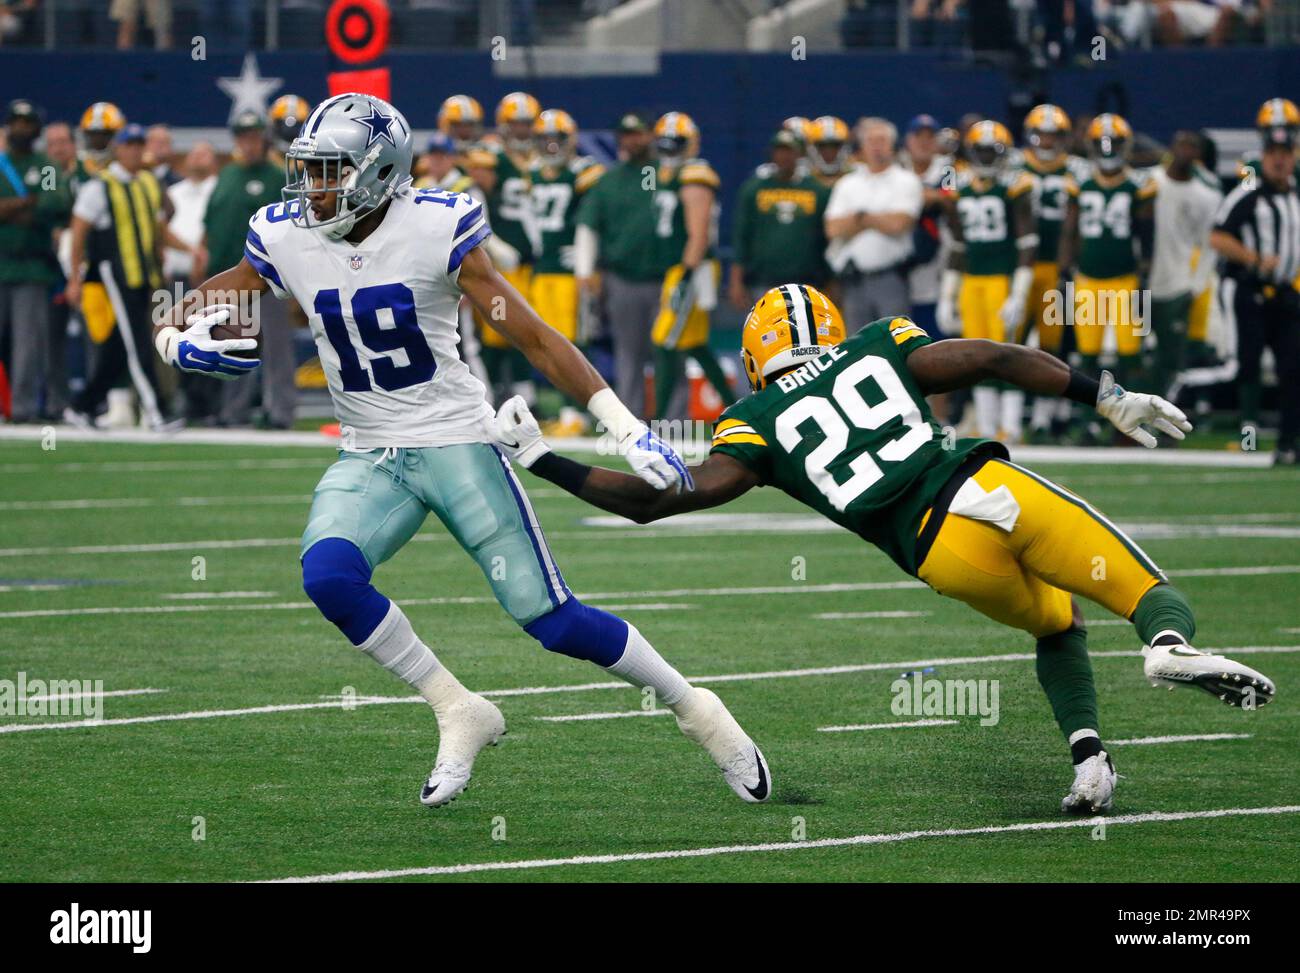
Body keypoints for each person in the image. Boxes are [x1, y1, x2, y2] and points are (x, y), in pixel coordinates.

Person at [151, 93, 769, 808]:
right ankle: (456, 706)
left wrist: (624, 426)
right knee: (328, 576)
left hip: (456, 440)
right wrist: (176, 337)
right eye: (309, 171)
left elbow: (532, 333)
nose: (312, 190)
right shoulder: (287, 232)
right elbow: (206, 296)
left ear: (377, 172)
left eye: (328, 173)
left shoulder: (436, 227)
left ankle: (697, 709)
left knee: (552, 620)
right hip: (370, 451)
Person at [498, 284, 1276, 815]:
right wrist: (1106, 395)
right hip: (984, 488)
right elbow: (992, 358)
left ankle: (1091, 761)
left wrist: (545, 459)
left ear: (755, 355)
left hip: (941, 557)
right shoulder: (879, 344)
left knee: (1057, 623)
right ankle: (1167, 645)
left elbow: (655, 501)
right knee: (1140, 587)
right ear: (830, 331)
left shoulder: (756, 419)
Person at [63, 122, 197, 429]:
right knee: (138, 344)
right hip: (114, 272)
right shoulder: (100, 186)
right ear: (118, 149)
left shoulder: (147, 183)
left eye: (140, 145)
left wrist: (189, 249)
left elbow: (162, 222)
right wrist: (74, 278)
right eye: (130, 145)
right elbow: (79, 232)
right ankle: (157, 413)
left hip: (144, 274)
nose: (136, 151)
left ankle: (81, 406)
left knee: (119, 348)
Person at [937, 121, 1037, 443]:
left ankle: (1012, 426)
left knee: (1006, 355)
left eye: (991, 152)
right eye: (980, 151)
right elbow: (957, 246)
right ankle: (988, 426)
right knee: (976, 358)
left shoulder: (1015, 185)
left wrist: (1019, 293)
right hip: (971, 282)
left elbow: (1027, 244)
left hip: (1002, 280)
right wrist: (947, 294)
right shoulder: (958, 184)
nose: (985, 158)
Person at [1210, 120, 1300, 466]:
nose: (1279, 161)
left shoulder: (1294, 192)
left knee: (1293, 368)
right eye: (1273, 154)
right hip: (1249, 290)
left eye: (1285, 154)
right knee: (1244, 367)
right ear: (1264, 156)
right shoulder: (1249, 191)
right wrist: (1255, 259)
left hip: (1286, 294)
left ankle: (1289, 444)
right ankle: (1247, 436)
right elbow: (1218, 237)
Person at [203, 109, 294, 428]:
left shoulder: (276, 176)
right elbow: (212, 223)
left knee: (276, 345)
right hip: (230, 275)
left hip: (267, 275)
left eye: (254, 136)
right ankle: (232, 410)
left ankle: (280, 410)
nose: (249, 143)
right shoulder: (227, 175)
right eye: (243, 136)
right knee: (233, 342)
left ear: (264, 138)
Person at [1057, 113, 1157, 397]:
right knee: (1087, 353)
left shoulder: (1140, 183)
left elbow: (1148, 234)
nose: (1108, 150)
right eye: (1102, 144)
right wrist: (1065, 271)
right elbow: (1069, 231)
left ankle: (1132, 419)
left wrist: (1145, 275)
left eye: (1113, 144)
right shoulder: (1078, 182)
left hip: (1125, 278)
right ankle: (1090, 420)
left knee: (1131, 352)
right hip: (1087, 277)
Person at [645, 111, 735, 419]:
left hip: (691, 268)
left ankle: (656, 421)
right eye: (665, 143)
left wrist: (686, 274)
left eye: (676, 143)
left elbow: (697, 233)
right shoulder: (669, 174)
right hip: (684, 267)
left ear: (691, 144)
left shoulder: (695, 174)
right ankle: (736, 408)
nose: (670, 150)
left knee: (665, 341)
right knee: (694, 344)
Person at [574, 111, 663, 417]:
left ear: (650, 135)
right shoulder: (609, 180)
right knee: (629, 353)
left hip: (667, 276)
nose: (631, 140)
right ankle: (632, 421)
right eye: (626, 135)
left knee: (669, 353)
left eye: (637, 133)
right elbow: (588, 225)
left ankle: (675, 421)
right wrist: (585, 271)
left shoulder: (667, 174)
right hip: (622, 278)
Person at [528, 108, 605, 435]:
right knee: (547, 345)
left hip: (571, 274)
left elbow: (599, 216)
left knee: (574, 343)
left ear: (570, 140)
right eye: (544, 139)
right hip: (542, 271)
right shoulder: (530, 173)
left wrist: (589, 252)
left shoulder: (584, 172)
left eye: (556, 139)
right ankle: (565, 412)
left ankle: (581, 411)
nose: (550, 146)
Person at [1016, 104, 1091, 441]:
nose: (1046, 141)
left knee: (1053, 345)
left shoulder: (1077, 169)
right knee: (1014, 342)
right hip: (1021, 268)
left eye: (1053, 134)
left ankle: (1047, 417)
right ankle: (1012, 419)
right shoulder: (1015, 166)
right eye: (1041, 133)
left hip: (1057, 268)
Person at [0, 98, 72, 423]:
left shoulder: (44, 166)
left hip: (31, 266)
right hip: (3, 260)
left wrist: (12, 208)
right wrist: (24, 206)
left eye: (28, 124)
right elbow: (36, 204)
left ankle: (23, 408)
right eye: (17, 123)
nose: (22, 129)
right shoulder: (2, 164)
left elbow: (55, 201)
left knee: (27, 344)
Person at [824, 117, 922, 332]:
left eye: (882, 140)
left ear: (892, 144)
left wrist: (859, 217)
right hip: (853, 279)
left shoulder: (907, 181)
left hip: (890, 276)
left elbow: (899, 224)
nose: (876, 146)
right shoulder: (848, 183)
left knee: (897, 341)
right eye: (871, 141)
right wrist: (877, 219)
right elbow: (832, 229)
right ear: (862, 146)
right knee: (856, 346)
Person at [1149, 131, 1222, 397]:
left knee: (1170, 357)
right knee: (1130, 354)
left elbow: (1208, 246)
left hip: (1177, 284)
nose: (1185, 151)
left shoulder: (1206, 196)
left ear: (1199, 156)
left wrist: (1195, 285)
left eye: (1192, 147)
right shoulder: (1148, 182)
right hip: (1141, 280)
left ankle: (1164, 416)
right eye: (1181, 144)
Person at [729, 128, 831, 311]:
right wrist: (736, 281)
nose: (783, 156)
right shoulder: (754, 189)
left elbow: (826, 239)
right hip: (762, 280)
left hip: (808, 281)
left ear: (799, 154)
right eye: (779, 150)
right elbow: (741, 237)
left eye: (789, 151)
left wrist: (831, 281)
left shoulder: (817, 191)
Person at [164, 142, 218, 423]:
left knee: (210, 340)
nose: (198, 156)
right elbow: (160, 230)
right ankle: (182, 401)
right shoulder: (173, 193)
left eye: (205, 152)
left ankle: (208, 405)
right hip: (176, 278)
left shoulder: (219, 190)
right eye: (194, 152)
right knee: (177, 341)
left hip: (211, 279)